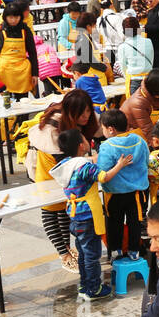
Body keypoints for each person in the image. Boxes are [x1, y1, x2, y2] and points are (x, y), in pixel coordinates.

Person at [52, 128, 129, 300]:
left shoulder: (66, 165)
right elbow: (104, 177)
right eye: (85, 139)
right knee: (92, 255)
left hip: (75, 216)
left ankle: (84, 285)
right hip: (88, 217)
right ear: (81, 145)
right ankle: (94, 289)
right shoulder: (83, 167)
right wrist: (120, 165)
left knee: (83, 253)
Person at [29, 90, 101, 272]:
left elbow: (100, 131)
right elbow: (66, 162)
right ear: (71, 111)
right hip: (48, 165)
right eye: (81, 113)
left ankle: (69, 249)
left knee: (65, 206)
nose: (86, 116)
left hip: (69, 163)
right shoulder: (53, 126)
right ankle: (64, 254)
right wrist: (91, 160)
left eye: (88, 111)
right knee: (51, 208)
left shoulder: (87, 119)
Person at [97, 109, 151, 261]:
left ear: (110, 129)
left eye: (102, 128)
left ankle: (116, 251)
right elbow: (146, 161)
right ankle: (134, 251)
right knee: (135, 221)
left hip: (114, 193)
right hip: (137, 191)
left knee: (114, 222)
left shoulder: (107, 146)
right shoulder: (139, 140)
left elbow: (102, 171)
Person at [0, 0, 38, 98]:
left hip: (22, 73)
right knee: (5, 103)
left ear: (20, 17)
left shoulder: (25, 30)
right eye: (10, 17)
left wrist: (35, 73)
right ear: (5, 17)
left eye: (16, 17)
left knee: (23, 102)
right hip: (3, 73)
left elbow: (33, 52)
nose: (13, 20)